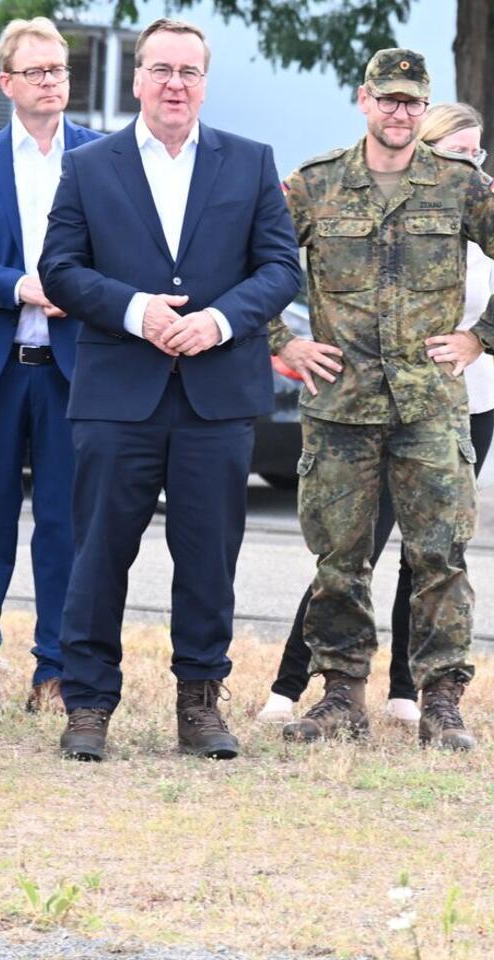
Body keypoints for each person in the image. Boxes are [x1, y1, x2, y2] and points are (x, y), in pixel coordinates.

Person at [275, 50, 494, 751]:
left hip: (429, 406)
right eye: (387, 99)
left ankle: (440, 704)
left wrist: (481, 337)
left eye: (410, 101)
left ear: (423, 108)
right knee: (339, 561)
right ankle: (340, 697)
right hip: (341, 407)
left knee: (440, 558)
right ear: (363, 99)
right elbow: (247, 262)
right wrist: (282, 342)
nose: (398, 112)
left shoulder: (459, 185)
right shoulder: (315, 184)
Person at [38, 17, 302, 761]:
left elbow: (280, 268)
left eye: (188, 71)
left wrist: (218, 321)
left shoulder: (249, 163)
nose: (174, 84)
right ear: (137, 79)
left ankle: (200, 703)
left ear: (205, 82)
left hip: (216, 398)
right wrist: (136, 311)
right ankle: (88, 705)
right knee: (98, 555)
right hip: (117, 397)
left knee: (209, 559)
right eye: (161, 69)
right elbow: (59, 268)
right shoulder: (90, 166)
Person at [0, 19, 101, 715]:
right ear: (5, 83)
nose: (50, 82)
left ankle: (55, 670)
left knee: (66, 527)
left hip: (73, 371)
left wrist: (78, 290)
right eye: (36, 72)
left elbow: (121, 255)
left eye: (58, 70)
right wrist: (18, 286)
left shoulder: (101, 156)